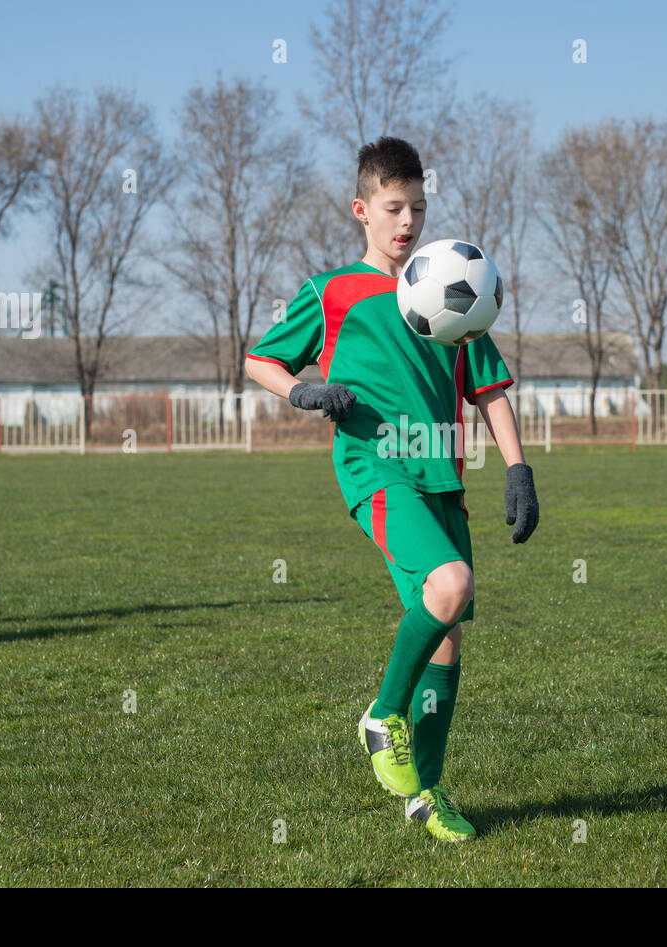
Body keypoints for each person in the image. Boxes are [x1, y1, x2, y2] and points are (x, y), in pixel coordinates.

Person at [245, 137, 538, 840]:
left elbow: (491, 392)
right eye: (393, 207)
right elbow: (260, 359)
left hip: (442, 477)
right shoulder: (334, 291)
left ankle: (427, 793)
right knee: (450, 585)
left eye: (418, 207)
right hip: (377, 469)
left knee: (448, 641)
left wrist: (520, 470)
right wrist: (303, 390)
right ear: (362, 210)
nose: (407, 221)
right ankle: (381, 716)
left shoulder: (449, 281)